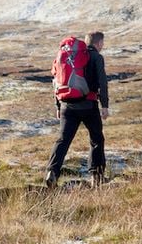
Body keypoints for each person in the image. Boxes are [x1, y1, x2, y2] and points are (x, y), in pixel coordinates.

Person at [45, 31, 109, 188]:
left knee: (63, 140)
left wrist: (58, 106)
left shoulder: (68, 56)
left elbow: (57, 81)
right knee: (96, 139)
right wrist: (105, 105)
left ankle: (52, 172)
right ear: (99, 43)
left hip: (67, 105)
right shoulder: (96, 57)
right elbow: (102, 81)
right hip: (88, 105)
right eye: (102, 44)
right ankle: (96, 176)